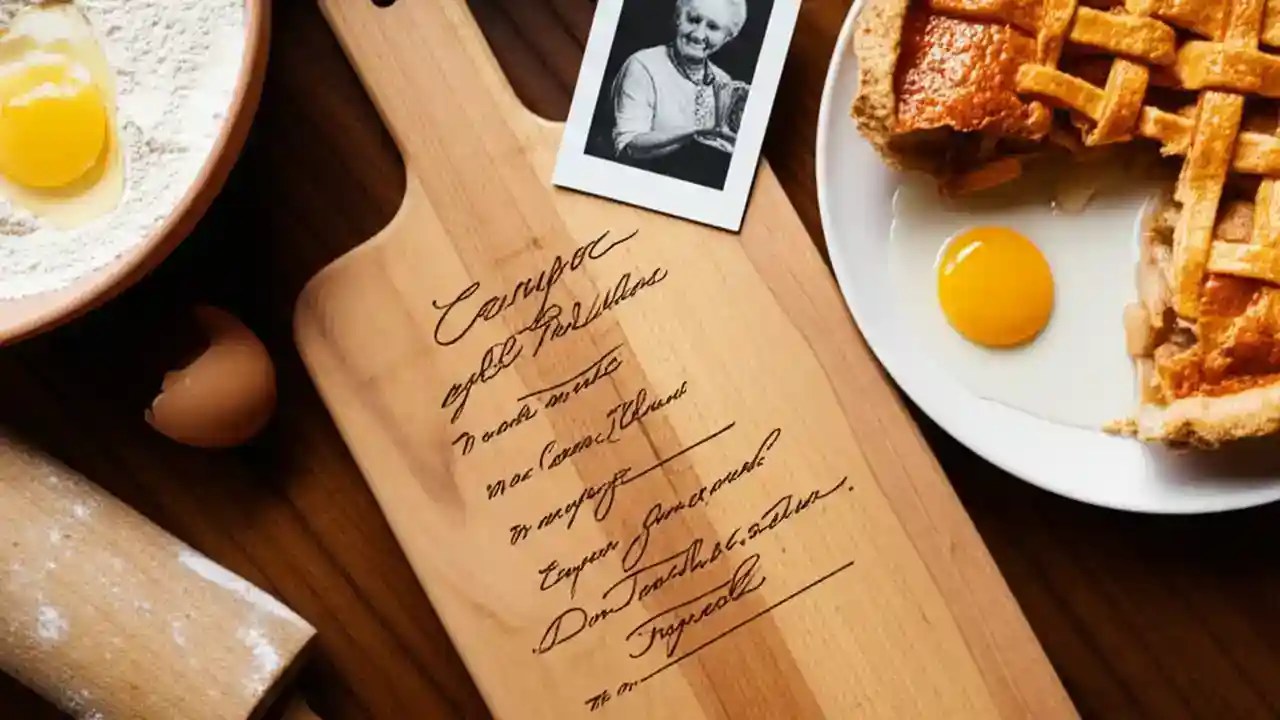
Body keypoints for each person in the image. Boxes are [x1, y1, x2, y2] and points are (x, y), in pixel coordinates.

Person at [610, 0, 751, 188]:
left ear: (728, 37)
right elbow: (630, 145)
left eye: (713, 27)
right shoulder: (643, 66)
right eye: (693, 20)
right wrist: (695, 130)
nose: (699, 34)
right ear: (678, 18)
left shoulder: (722, 81)